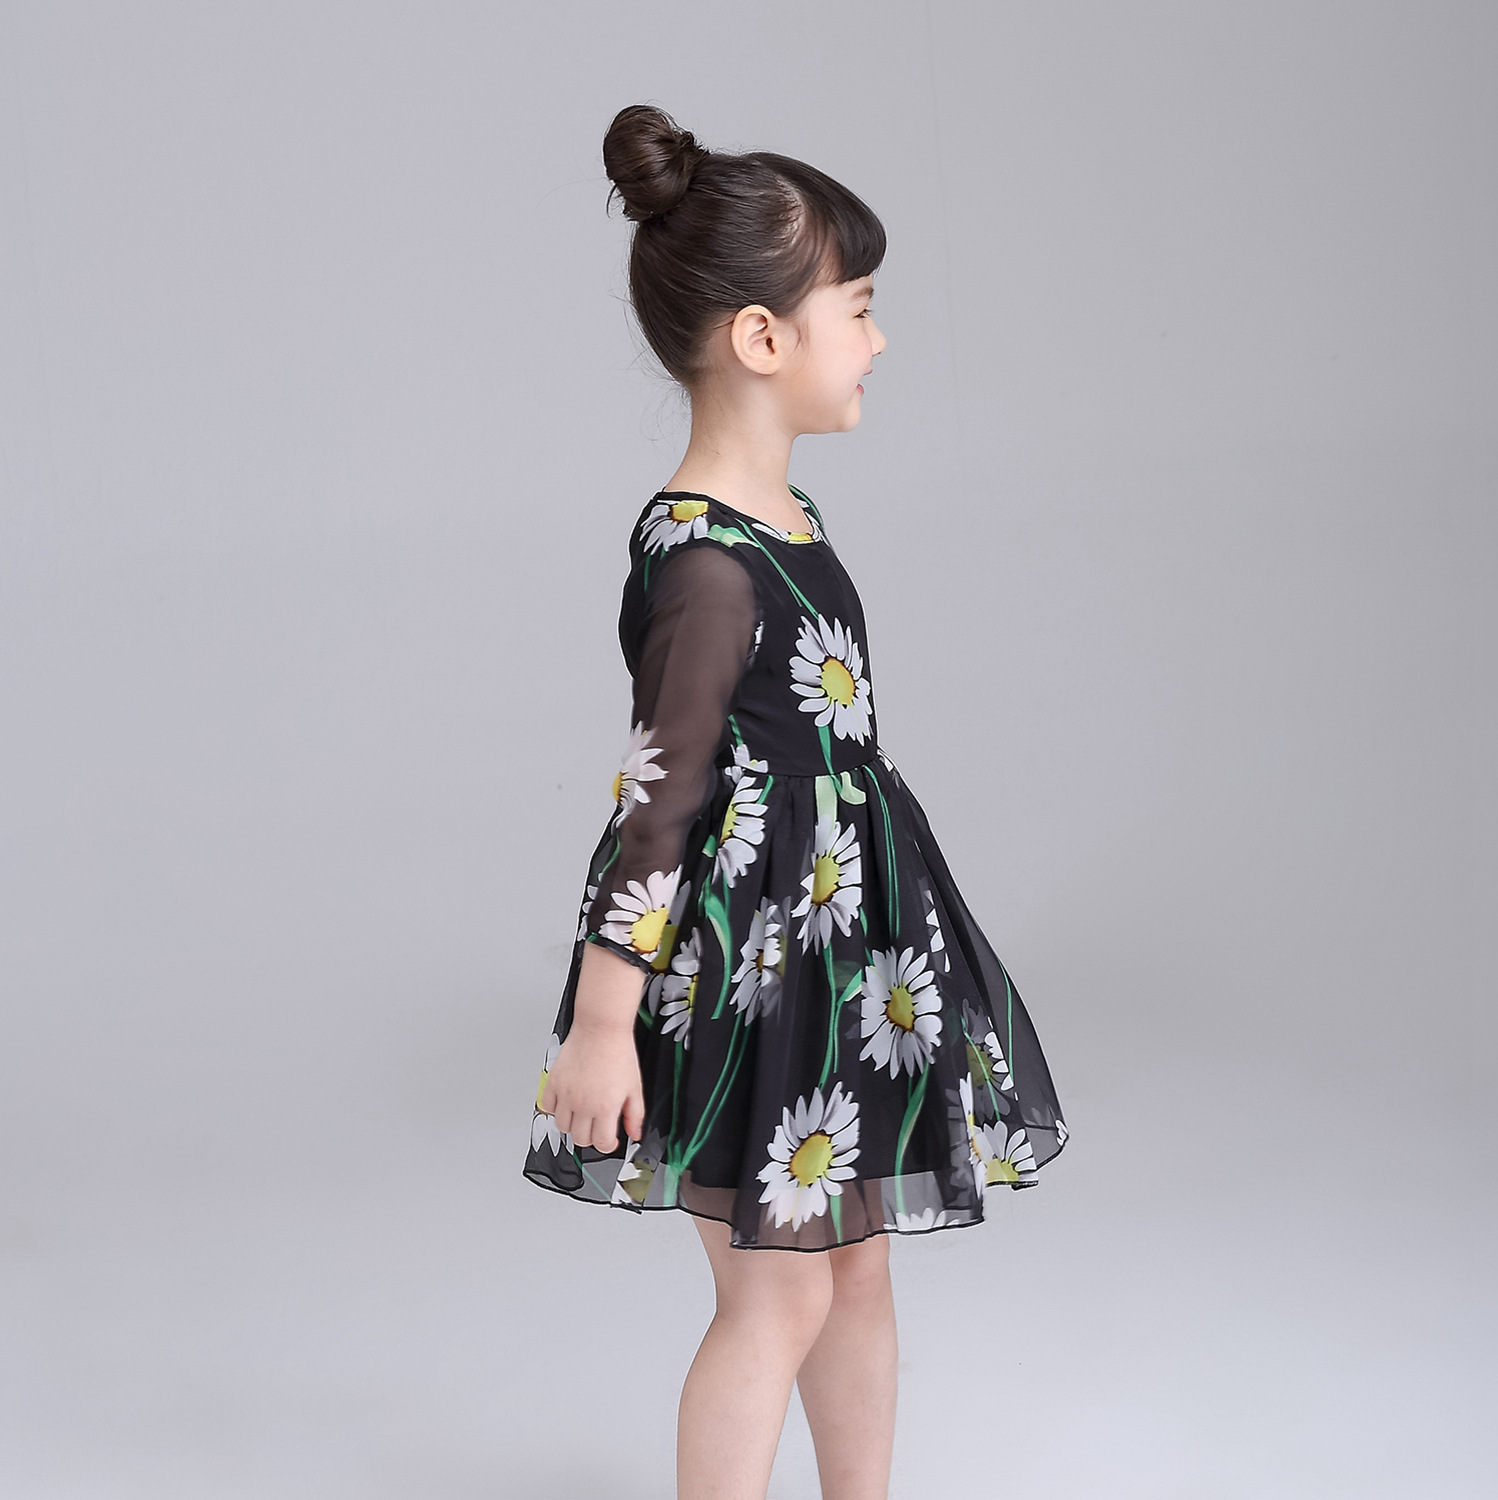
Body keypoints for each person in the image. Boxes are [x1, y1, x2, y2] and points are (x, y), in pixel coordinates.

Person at [523, 103, 1068, 1500]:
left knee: (857, 1271)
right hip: (754, 965)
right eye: (860, 308)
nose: (880, 339)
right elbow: (659, 798)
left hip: (839, 954)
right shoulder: (707, 561)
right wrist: (601, 1024)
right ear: (763, 337)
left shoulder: (791, 523)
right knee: (778, 1292)